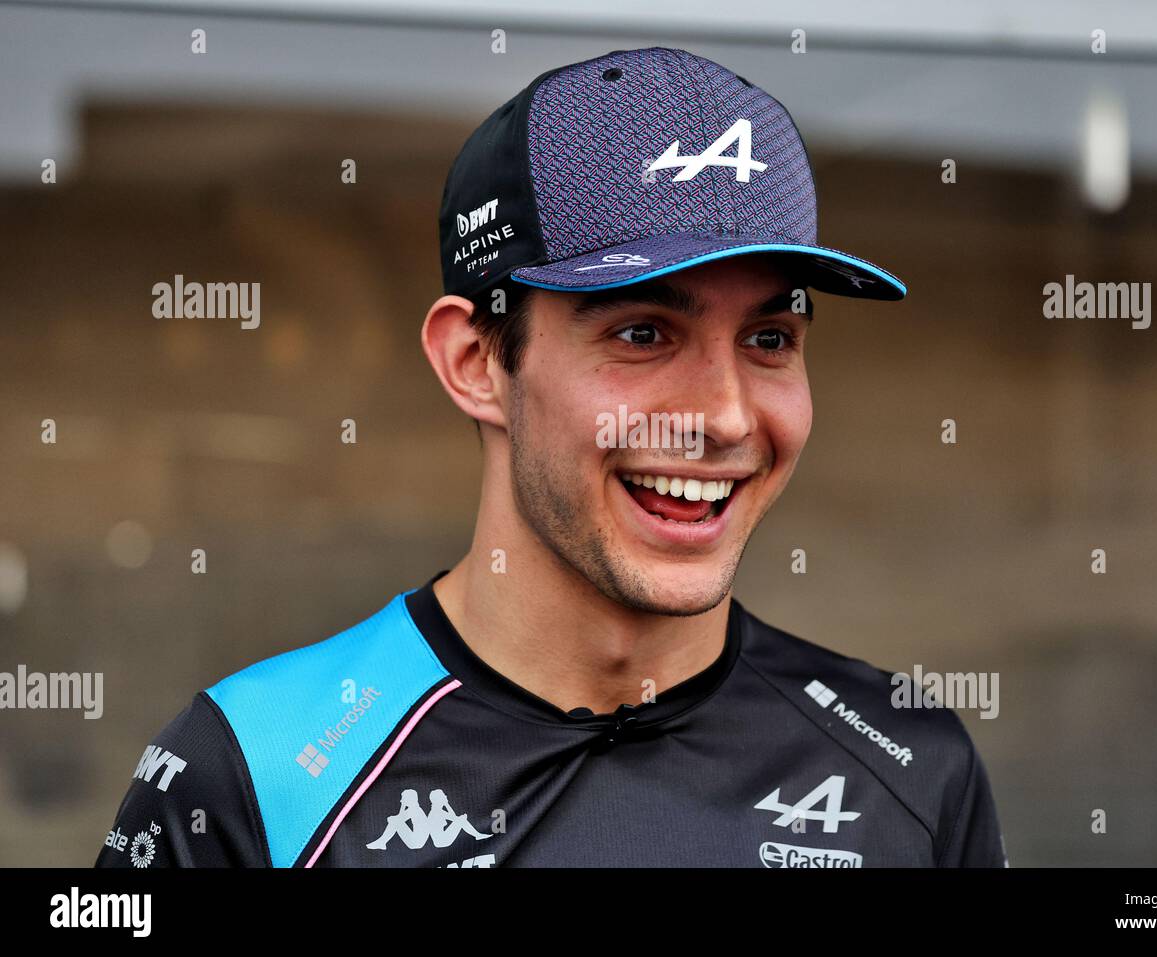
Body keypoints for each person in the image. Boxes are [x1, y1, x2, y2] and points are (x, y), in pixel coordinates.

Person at [95, 46, 1007, 868]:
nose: (726, 417)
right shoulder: (254, 770)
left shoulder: (912, 767)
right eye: (644, 332)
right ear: (476, 362)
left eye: (769, 339)